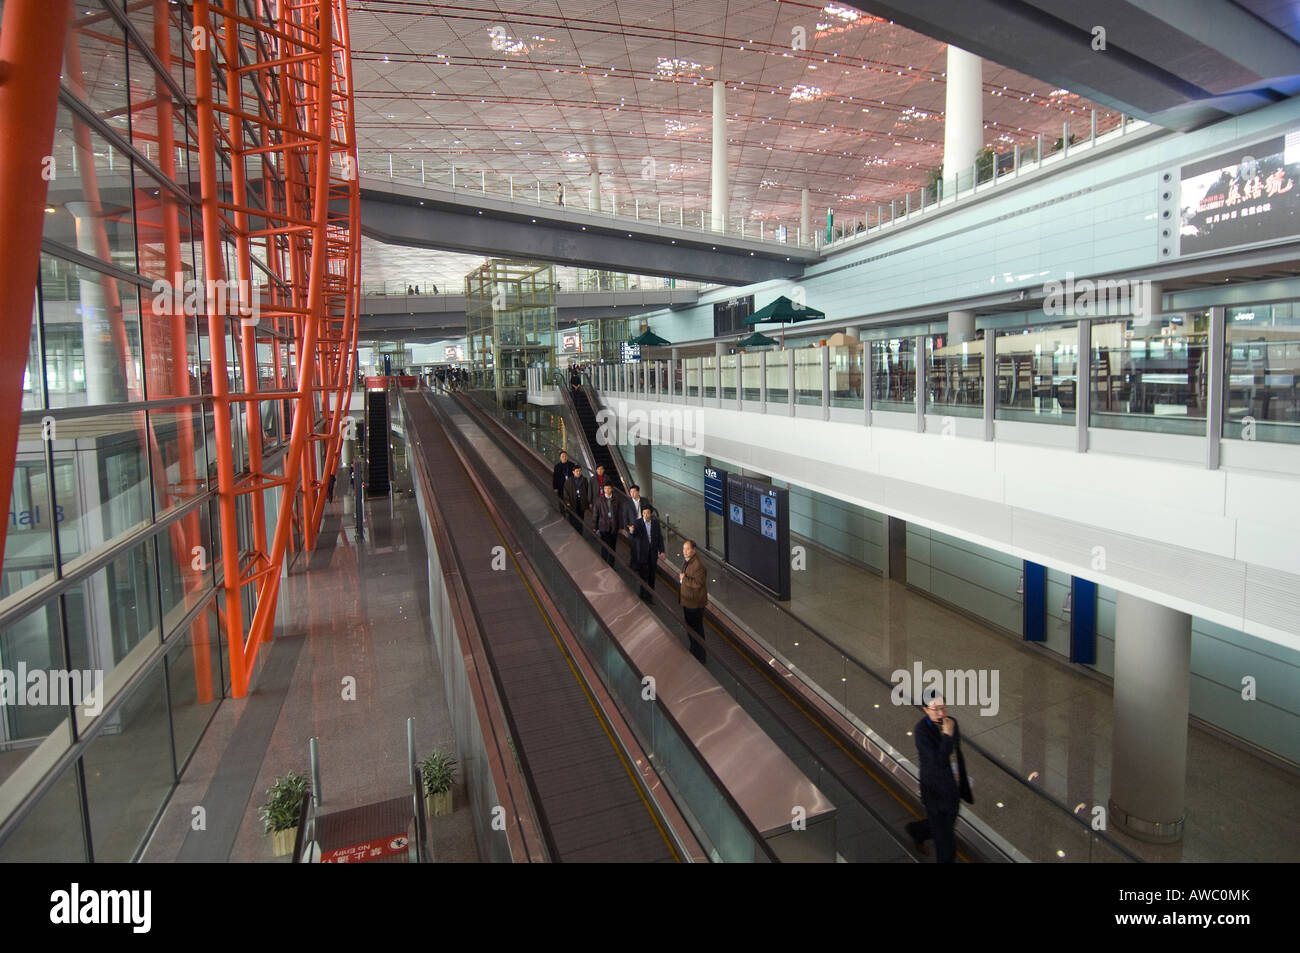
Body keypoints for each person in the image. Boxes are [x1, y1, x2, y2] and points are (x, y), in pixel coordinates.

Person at [904, 693, 973, 863]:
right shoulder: (921, 732)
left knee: (945, 826)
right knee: (946, 843)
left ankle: (917, 830)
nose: (941, 714)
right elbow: (939, 761)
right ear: (926, 710)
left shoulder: (951, 722)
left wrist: (949, 735)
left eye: (943, 708)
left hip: (953, 789)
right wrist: (947, 736)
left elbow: (954, 751)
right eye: (936, 710)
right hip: (935, 792)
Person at [678, 539, 707, 663]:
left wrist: (684, 580)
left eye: (687, 549)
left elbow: (698, 584)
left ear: (694, 550)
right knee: (690, 629)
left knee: (697, 630)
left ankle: (700, 655)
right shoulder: (688, 561)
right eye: (684, 549)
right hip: (688, 601)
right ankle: (694, 650)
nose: (685, 551)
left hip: (694, 604)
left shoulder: (698, 565)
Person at [630, 504, 664, 601]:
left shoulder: (655, 523)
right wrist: (632, 531)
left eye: (647, 513)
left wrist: (662, 551)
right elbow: (634, 535)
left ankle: (650, 596)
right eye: (644, 513)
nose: (645, 515)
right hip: (642, 554)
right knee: (643, 575)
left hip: (652, 554)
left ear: (651, 514)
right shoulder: (638, 523)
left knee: (652, 576)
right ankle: (642, 594)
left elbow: (659, 538)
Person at [593, 482, 619, 565]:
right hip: (603, 526)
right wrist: (595, 526)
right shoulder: (599, 500)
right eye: (605, 489)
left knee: (613, 546)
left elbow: (619, 514)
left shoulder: (616, 500)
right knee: (604, 546)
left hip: (613, 527)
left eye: (608, 488)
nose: (607, 490)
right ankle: (604, 563)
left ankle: (611, 564)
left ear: (612, 489)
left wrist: (620, 527)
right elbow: (595, 514)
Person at [563, 464, 588, 531]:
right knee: (573, 518)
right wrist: (567, 502)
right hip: (573, 501)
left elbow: (587, 490)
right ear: (573, 472)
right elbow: (566, 492)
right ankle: (575, 531)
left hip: (581, 501)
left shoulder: (584, 480)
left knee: (581, 518)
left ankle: (580, 531)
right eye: (577, 471)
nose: (578, 472)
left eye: (580, 471)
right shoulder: (568, 481)